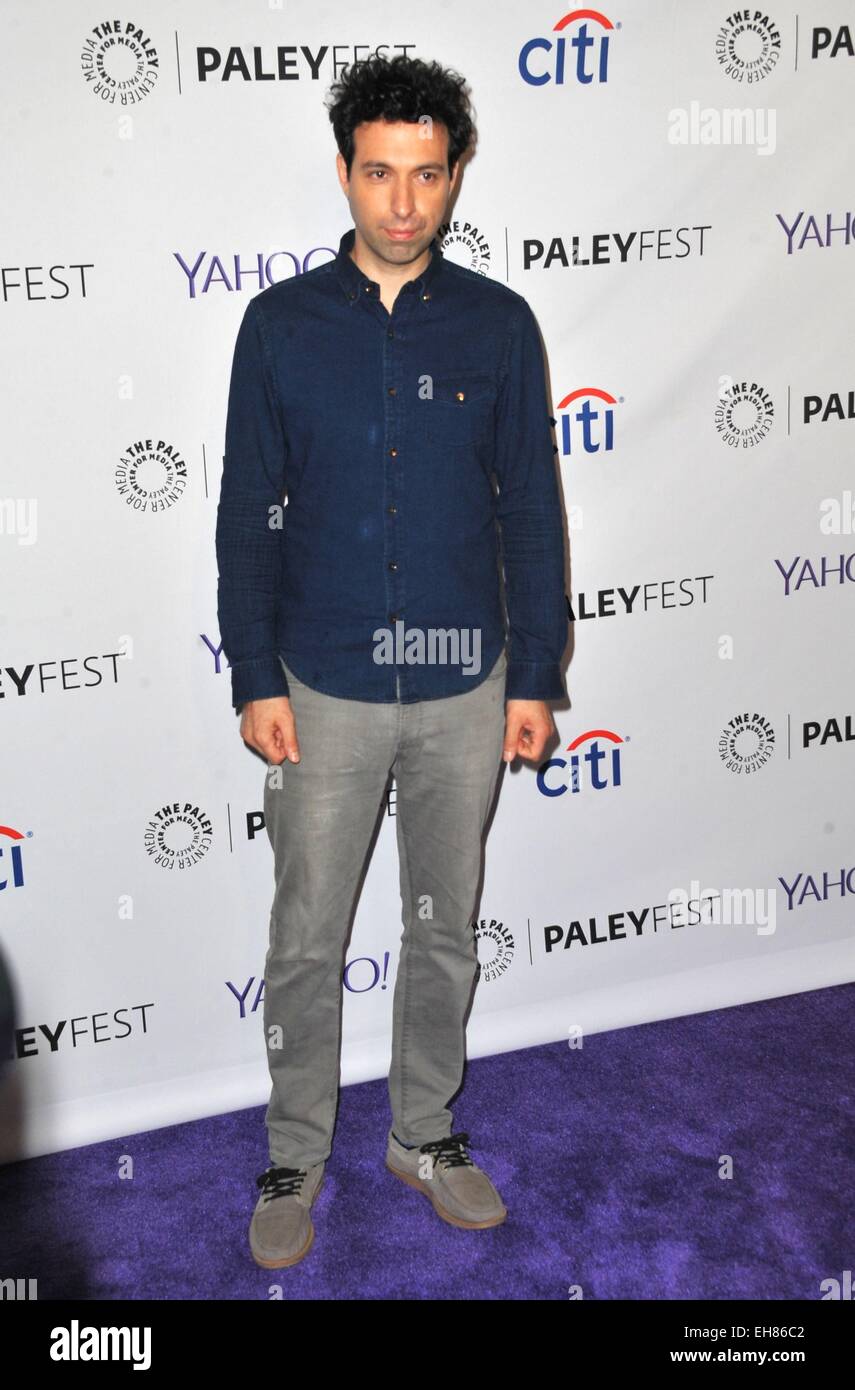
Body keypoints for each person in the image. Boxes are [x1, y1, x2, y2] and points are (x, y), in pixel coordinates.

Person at [215, 53, 568, 1269]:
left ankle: (423, 1133)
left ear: (455, 174)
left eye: (426, 174)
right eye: (380, 173)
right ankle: (294, 1153)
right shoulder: (279, 327)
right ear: (344, 173)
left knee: (445, 928)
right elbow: (246, 512)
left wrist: (537, 675)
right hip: (321, 685)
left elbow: (532, 510)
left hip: (470, 684)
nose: (403, 203)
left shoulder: (500, 324)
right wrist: (254, 675)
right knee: (306, 939)